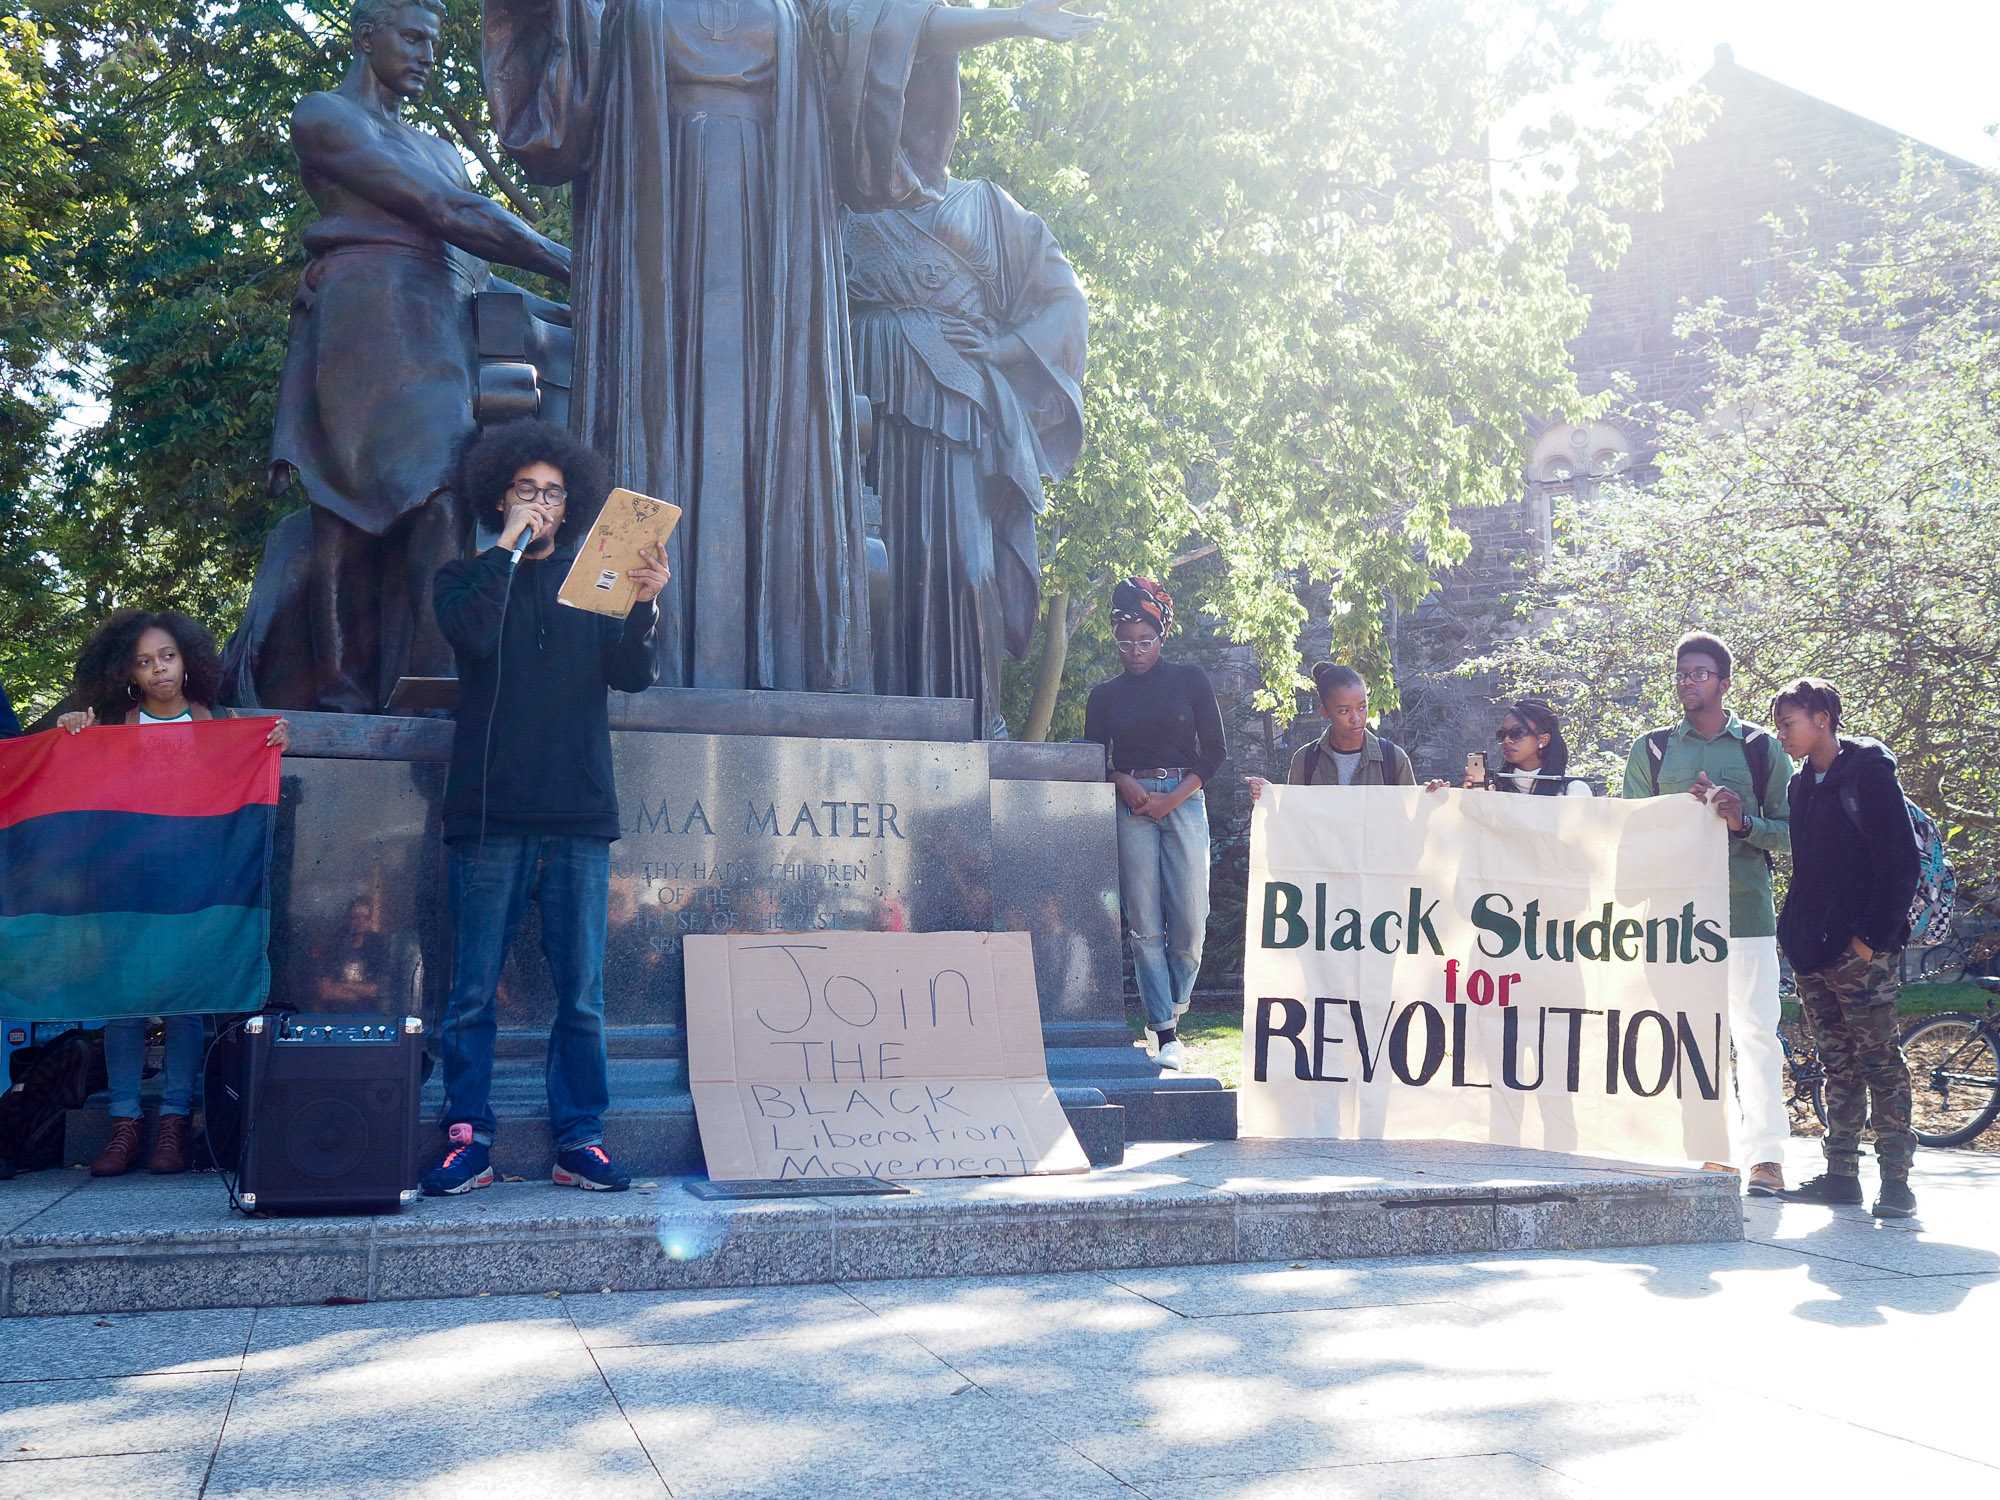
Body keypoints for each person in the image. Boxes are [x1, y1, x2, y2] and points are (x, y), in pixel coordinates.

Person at [481, 0, 1098, 694]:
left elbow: (898, 25)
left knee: (776, 447)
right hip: (654, 248)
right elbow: (556, 71)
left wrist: (1013, 20)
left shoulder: (800, 11)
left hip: (773, 275)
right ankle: (619, 648)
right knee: (642, 430)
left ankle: (789, 666)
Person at [271, 0, 573, 712]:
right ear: (364, 35)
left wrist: (570, 307)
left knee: (443, 491)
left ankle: (435, 671)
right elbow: (454, 214)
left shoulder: (440, 148)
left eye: (434, 44)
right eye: (411, 38)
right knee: (345, 502)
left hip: (440, 318)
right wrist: (582, 268)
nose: (426, 56)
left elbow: (470, 257)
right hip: (367, 315)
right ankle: (339, 687)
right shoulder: (325, 115)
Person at [422, 419, 669, 1196]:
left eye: (555, 495)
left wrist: (643, 605)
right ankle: (468, 1138)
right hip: (489, 815)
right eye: (528, 490)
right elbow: (471, 635)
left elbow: (631, 676)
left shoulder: (593, 587)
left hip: (577, 815)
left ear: (573, 508)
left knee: (582, 996)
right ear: (501, 497)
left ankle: (580, 1140)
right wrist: (504, 549)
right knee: (469, 994)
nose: (542, 503)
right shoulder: (462, 578)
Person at [56, 610, 291, 1176]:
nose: (158, 669)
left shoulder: (218, 722)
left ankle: (174, 1123)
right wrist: (71, 736)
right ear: (127, 673)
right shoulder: (113, 724)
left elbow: (246, 793)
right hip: (127, 887)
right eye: (144, 661)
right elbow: (78, 791)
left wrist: (274, 744)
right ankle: (124, 1124)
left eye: (166, 656)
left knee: (186, 1005)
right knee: (125, 1005)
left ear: (186, 660)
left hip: (196, 887)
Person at [1621, 631, 1794, 1197]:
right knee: (1689, 1038)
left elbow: (1792, 834)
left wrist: (1742, 821)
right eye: (1682, 673)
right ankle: (1709, 1152)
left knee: (1756, 1035)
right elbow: (1630, 830)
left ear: (1724, 681)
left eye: (1699, 673)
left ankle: (1766, 1158)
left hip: (1744, 911)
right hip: (1676, 921)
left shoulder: (1760, 748)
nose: (1688, 682)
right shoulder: (1650, 749)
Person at [1770, 679, 1921, 1218]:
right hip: (1812, 949)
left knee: (1880, 1060)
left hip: (1860, 953)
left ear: (1822, 720)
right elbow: (1809, 869)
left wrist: (1869, 941)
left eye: (1789, 723)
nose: (1781, 734)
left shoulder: (1869, 774)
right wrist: (1795, 935)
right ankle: (1841, 1175)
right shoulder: (1799, 784)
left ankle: (1897, 1182)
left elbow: (1902, 865)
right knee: (1837, 1063)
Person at [1083, 578, 1224, 1072]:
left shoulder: (1190, 680)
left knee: (1190, 921)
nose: (1135, 650)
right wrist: (1122, 781)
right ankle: (1164, 1029)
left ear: (1162, 635)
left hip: (1183, 801)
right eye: (1125, 642)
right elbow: (1095, 757)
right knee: (1144, 923)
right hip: (1132, 806)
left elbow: (1215, 753)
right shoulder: (1104, 695)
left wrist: (1173, 798)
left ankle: (1175, 1005)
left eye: (1145, 640)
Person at [1246, 663, 1415, 801]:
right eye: (1344, 711)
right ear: (1325, 711)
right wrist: (1268, 796)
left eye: (1362, 707)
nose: (1356, 718)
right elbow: (1295, 822)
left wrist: (1435, 797)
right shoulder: (1305, 760)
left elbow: (1414, 822)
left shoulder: (1393, 758)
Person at [1474, 700, 1592, 797]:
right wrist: (1469, 799)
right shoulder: (1492, 788)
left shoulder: (1573, 790)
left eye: (1517, 733)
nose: (1506, 740)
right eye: (1502, 734)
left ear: (1543, 740)